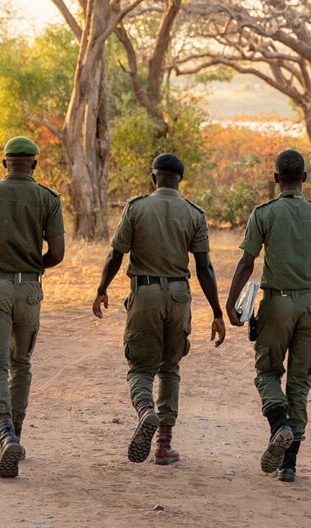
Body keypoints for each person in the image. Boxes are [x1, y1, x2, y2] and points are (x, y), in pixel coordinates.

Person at [225, 150, 311, 483]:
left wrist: (231, 302)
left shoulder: (264, 214)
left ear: (276, 179)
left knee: (267, 371)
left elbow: (246, 262)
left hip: (276, 303)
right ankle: (289, 464)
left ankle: (279, 425)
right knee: (300, 384)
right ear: (305, 179)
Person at [93, 153, 227, 466]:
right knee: (170, 367)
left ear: (153, 177)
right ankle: (164, 445)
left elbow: (116, 254)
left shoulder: (136, 207)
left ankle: (146, 411)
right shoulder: (194, 214)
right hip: (179, 296)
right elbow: (204, 266)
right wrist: (217, 313)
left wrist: (102, 289)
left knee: (140, 367)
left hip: (145, 292)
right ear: (180, 179)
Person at [0, 135, 66, 479]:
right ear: (35, 163)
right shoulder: (48, 199)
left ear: (4, 163)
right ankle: (16, 433)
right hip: (29, 289)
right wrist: (30, 268)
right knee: (22, 364)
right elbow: (58, 255)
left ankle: (5, 434)